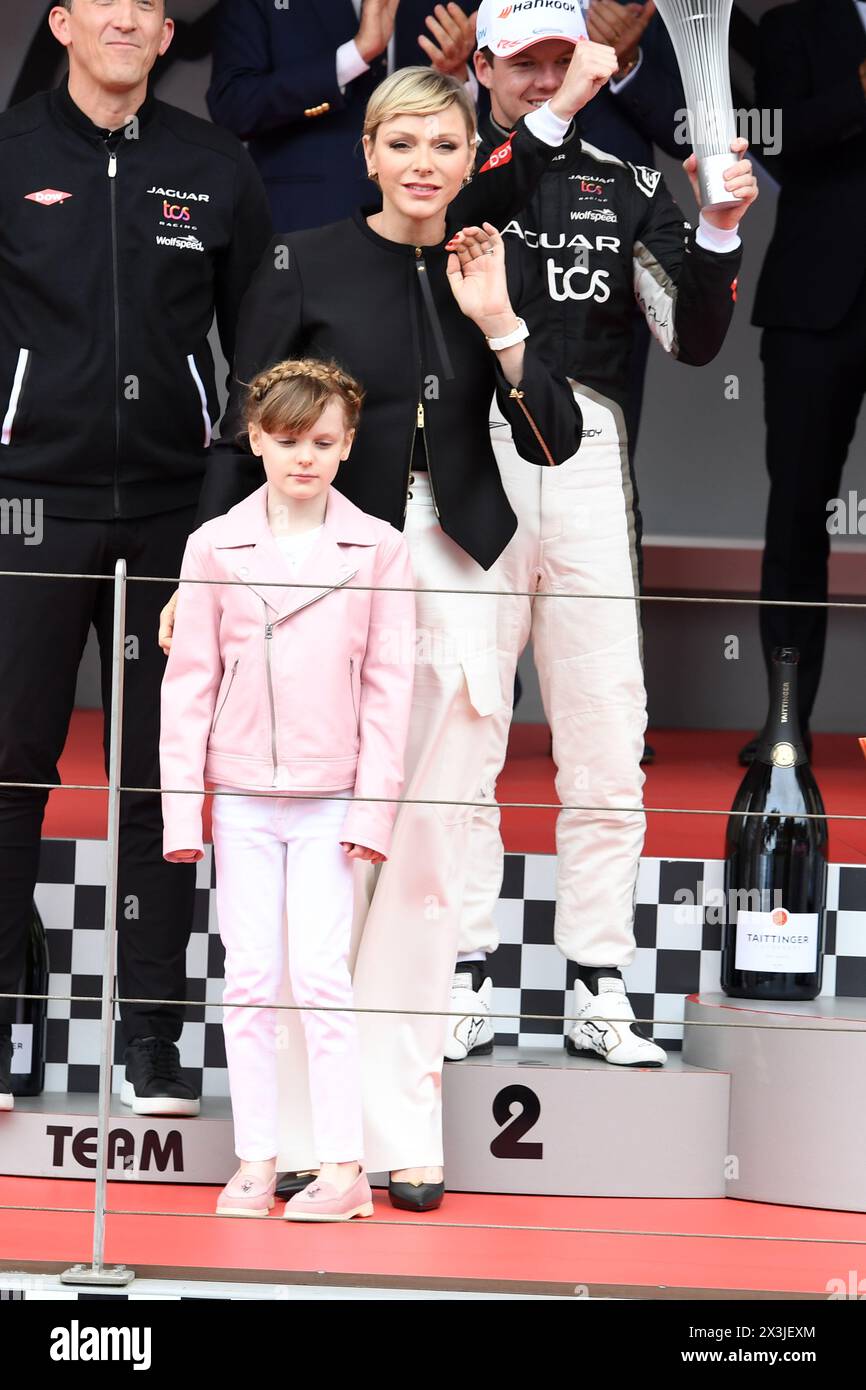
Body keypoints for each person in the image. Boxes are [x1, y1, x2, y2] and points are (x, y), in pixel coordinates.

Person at [161, 50, 618, 1207]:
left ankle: (403, 1129)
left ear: (472, 160)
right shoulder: (302, 260)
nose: (423, 164)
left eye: (445, 145)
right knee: (327, 873)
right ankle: (313, 1140)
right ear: (367, 155)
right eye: (401, 144)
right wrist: (199, 569)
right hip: (326, 579)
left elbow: (556, 440)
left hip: (465, 572)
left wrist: (502, 323)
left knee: (425, 868)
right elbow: (243, 420)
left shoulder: (489, 263)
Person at [445, 0, 757, 1064]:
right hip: (464, 456)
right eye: (524, 64)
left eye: (560, 62)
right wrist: (554, 113)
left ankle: (594, 982)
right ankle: (459, 973)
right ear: (481, 64)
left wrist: (716, 232)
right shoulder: (444, 162)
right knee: (459, 734)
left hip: (585, 454)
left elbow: (688, 337)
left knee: (603, 739)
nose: (544, 82)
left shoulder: (626, 185)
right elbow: (467, 208)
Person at [0, 0, 272, 1115]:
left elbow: (260, 335)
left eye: (148, 5)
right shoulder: (10, 153)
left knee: (161, 784)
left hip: (175, 510)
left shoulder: (214, 165)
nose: (126, 17)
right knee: (12, 772)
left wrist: (221, 494)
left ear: (168, 36)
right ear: (60, 22)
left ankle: (149, 1044)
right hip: (29, 505)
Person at [160, 359, 415, 1220]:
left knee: (321, 978)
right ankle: (256, 1159)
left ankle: (344, 1170)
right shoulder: (213, 545)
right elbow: (189, 682)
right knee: (250, 977)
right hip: (237, 796)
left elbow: (390, 689)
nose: (303, 457)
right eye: (286, 440)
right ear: (255, 439)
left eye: (322, 442)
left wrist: (374, 812)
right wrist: (179, 809)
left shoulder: (379, 547)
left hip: (331, 797)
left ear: (345, 448)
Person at [741, 0, 866, 765]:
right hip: (814, 308)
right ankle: (785, 720)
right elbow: (779, 146)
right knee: (796, 515)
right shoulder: (795, 23)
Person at [207, 0, 479, 230]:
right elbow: (232, 106)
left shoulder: (457, 7)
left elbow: (509, 102)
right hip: (307, 222)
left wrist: (457, 80)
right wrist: (355, 55)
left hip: (434, 226)